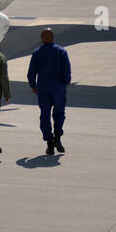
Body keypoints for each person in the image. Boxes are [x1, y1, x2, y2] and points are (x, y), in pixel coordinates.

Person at [27, 27, 71, 155]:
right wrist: (65, 83)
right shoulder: (62, 52)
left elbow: (31, 73)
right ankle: (57, 137)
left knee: (45, 115)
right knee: (59, 113)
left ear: (42, 39)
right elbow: (67, 72)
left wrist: (33, 86)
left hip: (43, 88)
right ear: (52, 37)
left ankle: (49, 142)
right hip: (58, 88)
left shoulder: (37, 52)